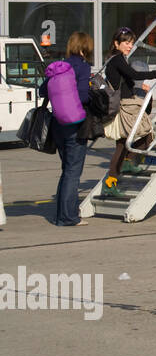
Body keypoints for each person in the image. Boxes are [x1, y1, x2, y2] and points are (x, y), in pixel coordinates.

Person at [101, 27, 156, 198]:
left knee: (124, 143)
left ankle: (117, 173)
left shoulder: (116, 59)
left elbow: (128, 79)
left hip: (126, 104)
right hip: (127, 105)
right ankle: (119, 171)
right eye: (126, 42)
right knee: (146, 134)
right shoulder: (117, 59)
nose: (129, 46)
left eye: (131, 43)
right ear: (116, 43)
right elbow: (134, 74)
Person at [39, 31, 94, 226]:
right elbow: (83, 96)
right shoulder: (83, 66)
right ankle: (69, 217)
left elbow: (42, 90)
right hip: (75, 125)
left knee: (66, 170)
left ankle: (61, 215)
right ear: (84, 48)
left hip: (57, 124)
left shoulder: (59, 66)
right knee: (73, 172)